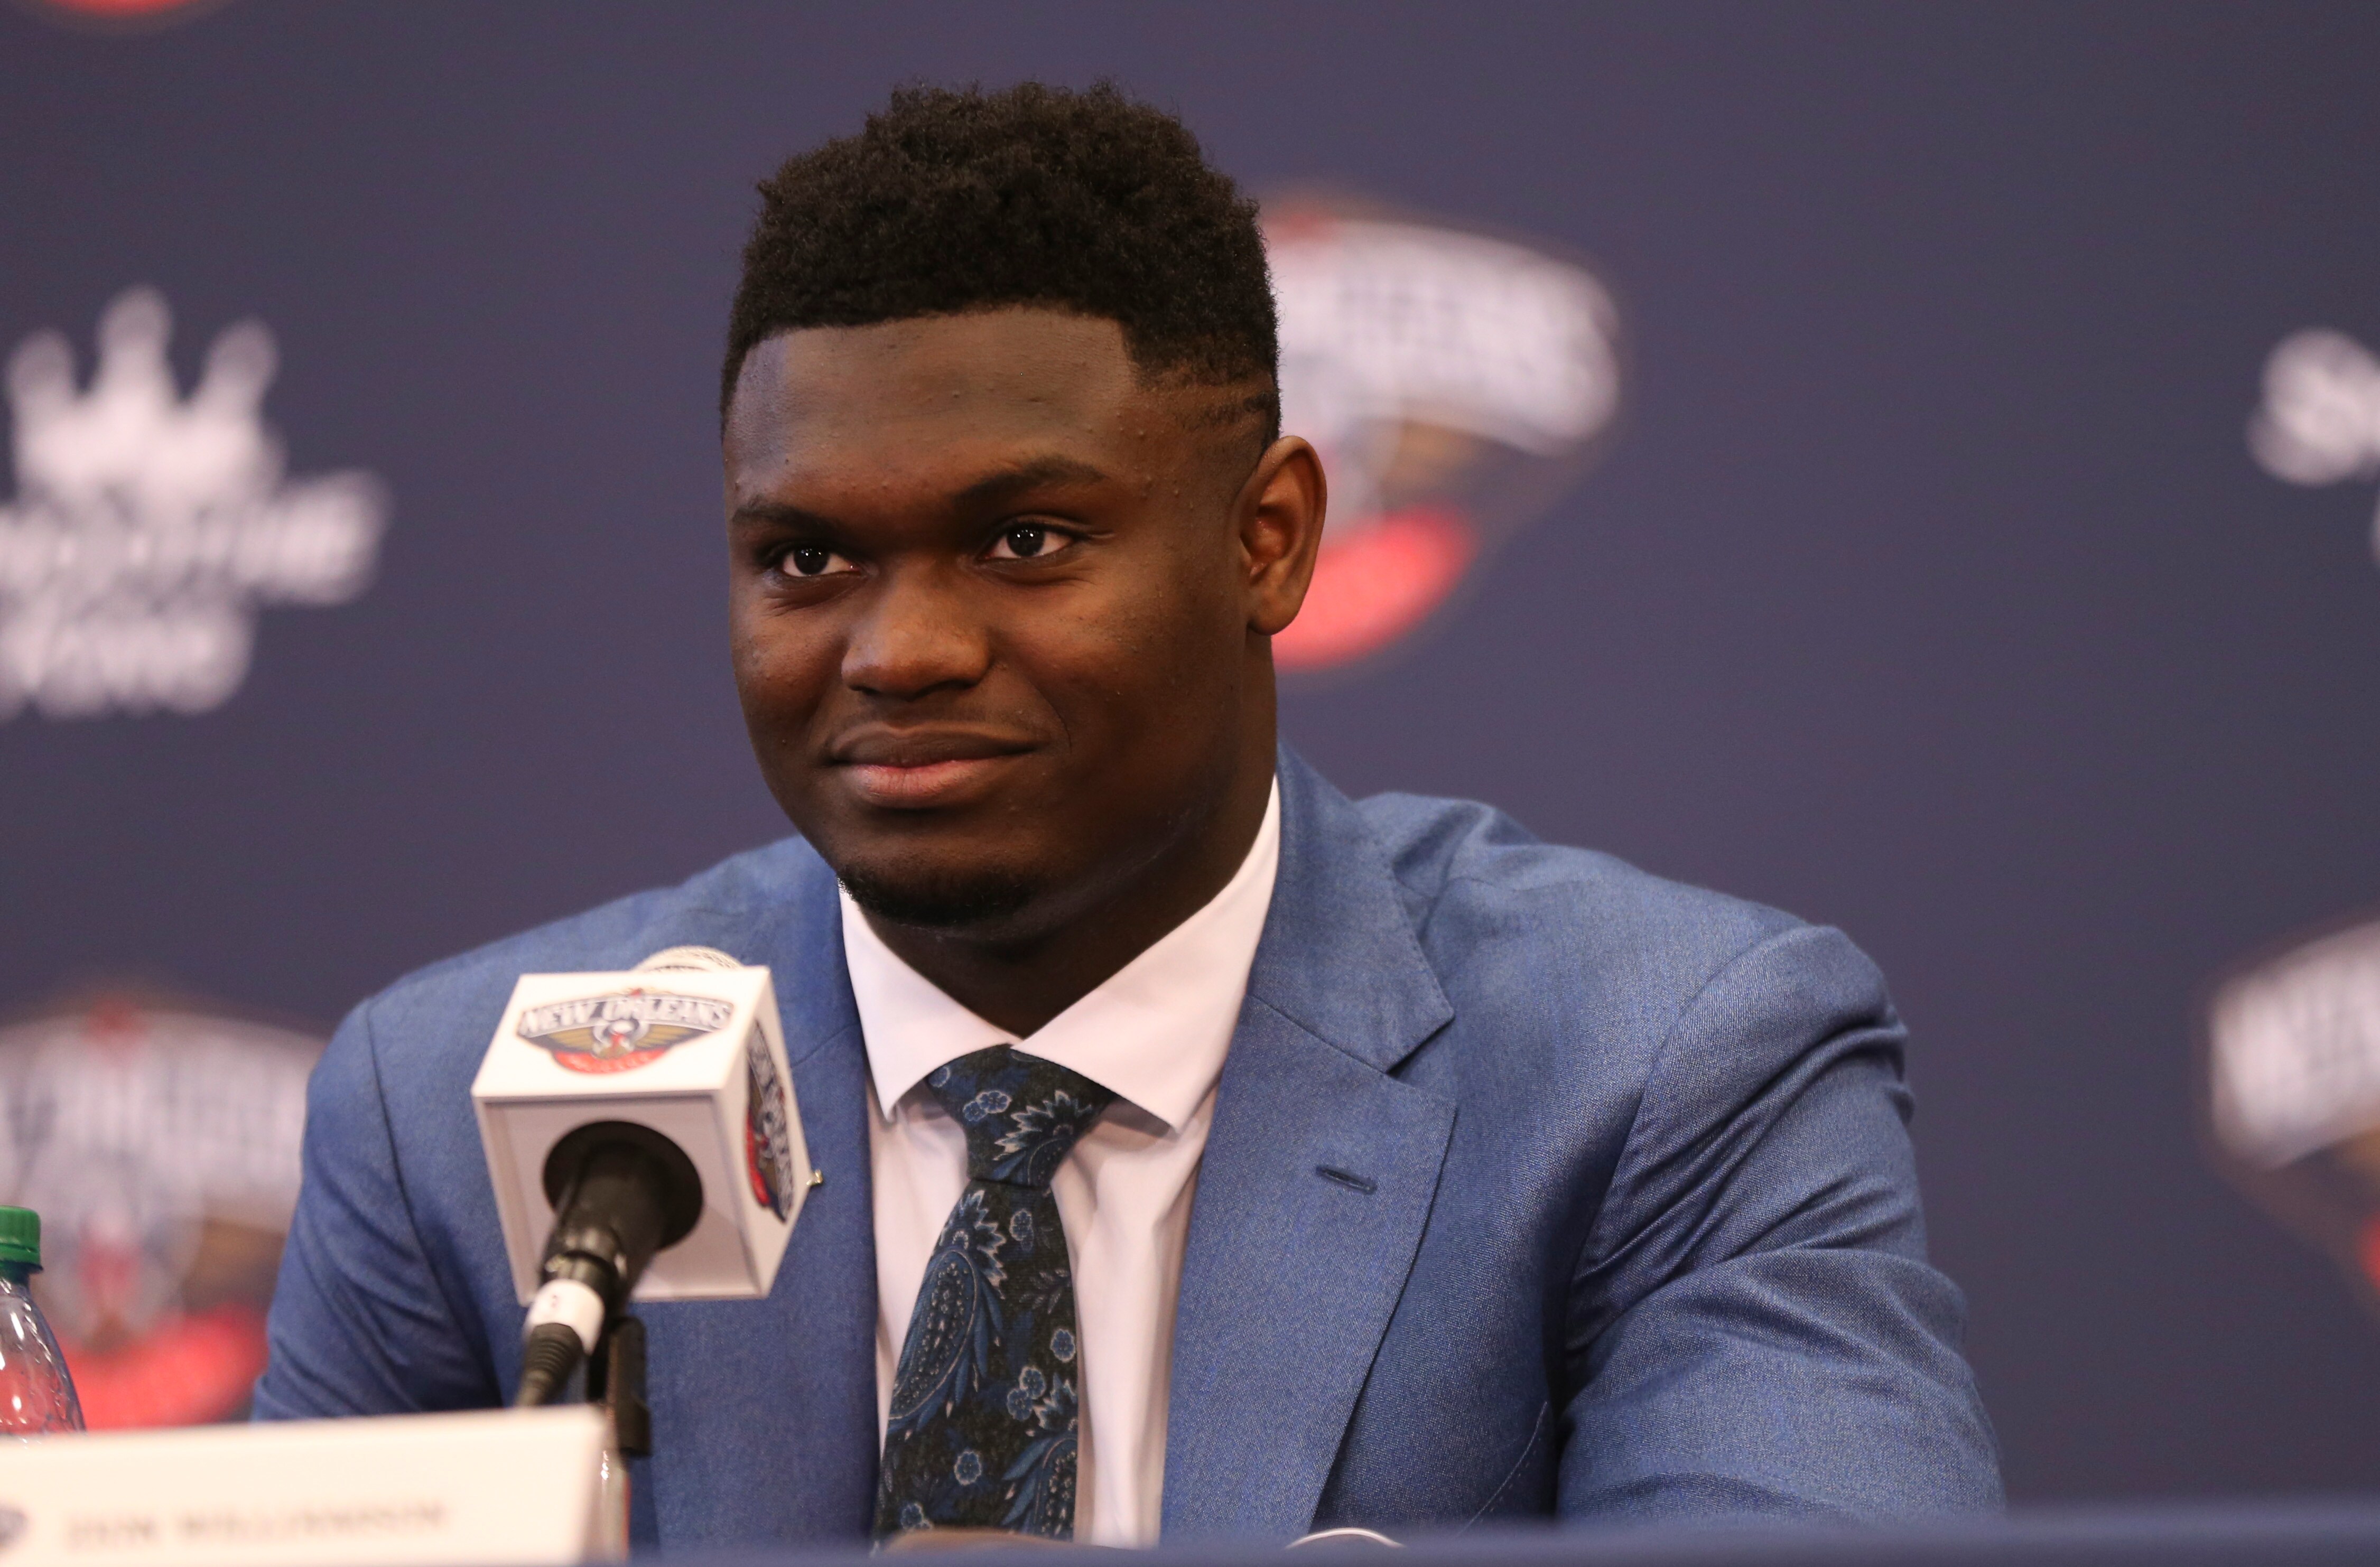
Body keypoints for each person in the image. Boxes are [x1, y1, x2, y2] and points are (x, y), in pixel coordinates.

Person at [255, 82, 2001, 1548]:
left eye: (1025, 541)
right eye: (808, 559)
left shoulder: (1657, 1066)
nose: (900, 652)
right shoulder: (458, 1116)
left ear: (1268, 540)